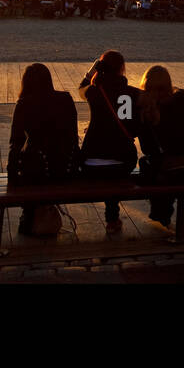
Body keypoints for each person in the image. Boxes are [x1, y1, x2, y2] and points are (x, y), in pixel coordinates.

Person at [7, 63, 78, 236]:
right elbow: (73, 137)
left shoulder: (24, 103)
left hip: (37, 171)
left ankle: (30, 216)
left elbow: (15, 142)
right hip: (64, 169)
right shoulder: (65, 99)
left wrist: (12, 173)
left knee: (29, 169)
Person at [78, 50, 142, 234]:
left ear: (101, 68)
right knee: (114, 167)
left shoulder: (94, 92)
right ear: (122, 68)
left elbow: (81, 88)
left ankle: (112, 218)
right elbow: (131, 127)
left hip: (91, 161)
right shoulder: (129, 95)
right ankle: (112, 219)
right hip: (122, 162)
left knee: (106, 166)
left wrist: (91, 72)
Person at [135, 65, 184, 227]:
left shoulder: (146, 109)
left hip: (169, 166)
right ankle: (162, 211)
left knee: (148, 163)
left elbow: (147, 148)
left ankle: (161, 211)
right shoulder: (180, 101)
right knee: (164, 164)